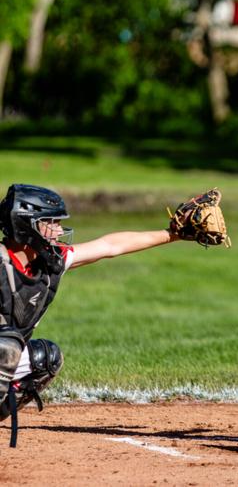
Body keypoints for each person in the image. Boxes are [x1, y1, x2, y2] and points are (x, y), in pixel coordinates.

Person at [0, 184, 215, 446]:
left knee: (45, 359)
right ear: (25, 226)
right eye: (50, 222)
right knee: (7, 345)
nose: (58, 230)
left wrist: (172, 234)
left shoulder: (48, 263)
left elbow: (110, 246)